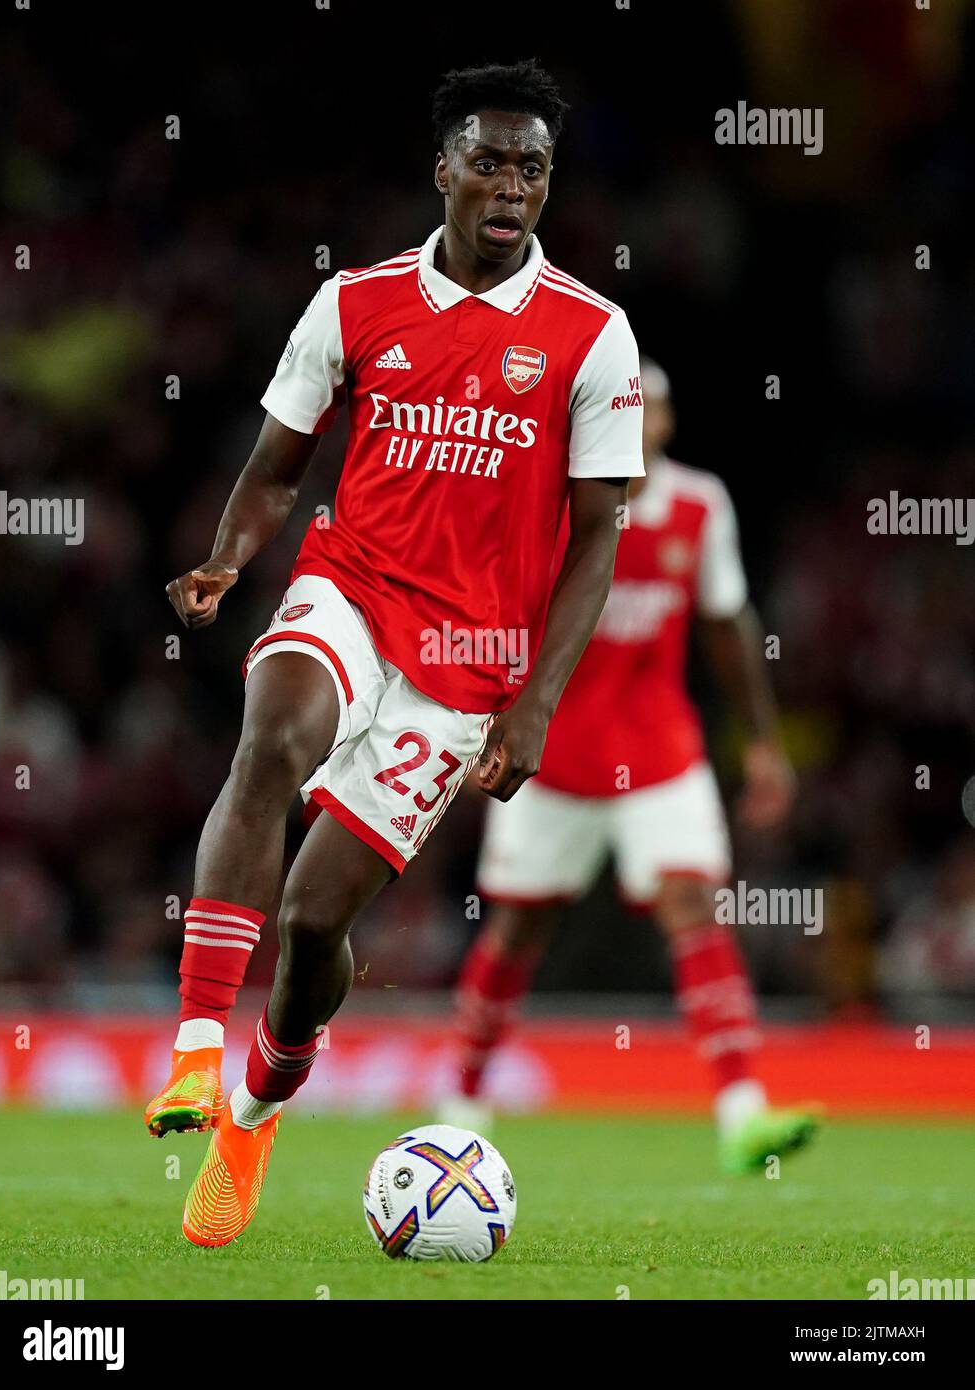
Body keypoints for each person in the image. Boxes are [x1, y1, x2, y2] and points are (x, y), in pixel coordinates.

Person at [145, 58, 645, 1247]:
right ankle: (194, 1048)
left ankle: (256, 1113)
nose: (510, 182)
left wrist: (533, 706)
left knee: (318, 922)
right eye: (488, 159)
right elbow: (276, 470)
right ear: (445, 169)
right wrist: (228, 554)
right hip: (350, 587)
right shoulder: (356, 302)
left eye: (531, 165)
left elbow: (597, 539)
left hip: (471, 660)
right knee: (272, 737)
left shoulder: (592, 333)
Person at [443, 357, 819, 1174]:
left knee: (693, 904)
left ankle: (741, 1111)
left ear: (667, 422)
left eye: (652, 405)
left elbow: (727, 625)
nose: (641, 419)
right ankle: (463, 1104)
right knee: (519, 924)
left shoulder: (699, 504)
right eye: (627, 405)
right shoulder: (550, 502)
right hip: (551, 754)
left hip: (658, 751)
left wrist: (762, 741)